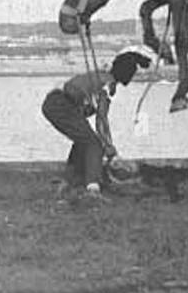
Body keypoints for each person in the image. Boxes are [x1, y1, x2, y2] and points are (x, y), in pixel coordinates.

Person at [42, 50, 150, 202]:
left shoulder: (103, 77)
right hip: (62, 105)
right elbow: (101, 121)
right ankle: (92, 189)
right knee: (94, 144)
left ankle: (70, 181)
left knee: (84, 141)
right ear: (127, 73)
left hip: (54, 102)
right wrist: (110, 151)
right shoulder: (108, 85)